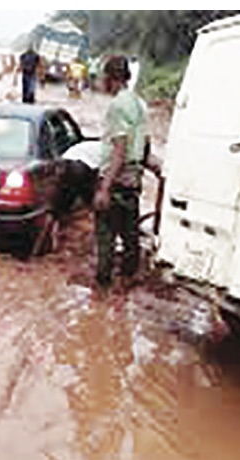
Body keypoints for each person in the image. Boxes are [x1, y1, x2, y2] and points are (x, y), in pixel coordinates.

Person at [92, 55, 160, 289]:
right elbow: (145, 144)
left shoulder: (116, 106)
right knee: (131, 238)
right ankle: (127, 286)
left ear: (110, 79)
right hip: (134, 181)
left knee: (105, 240)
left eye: (103, 78)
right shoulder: (140, 104)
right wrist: (155, 169)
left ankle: (101, 298)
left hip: (116, 180)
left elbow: (119, 150)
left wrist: (104, 188)